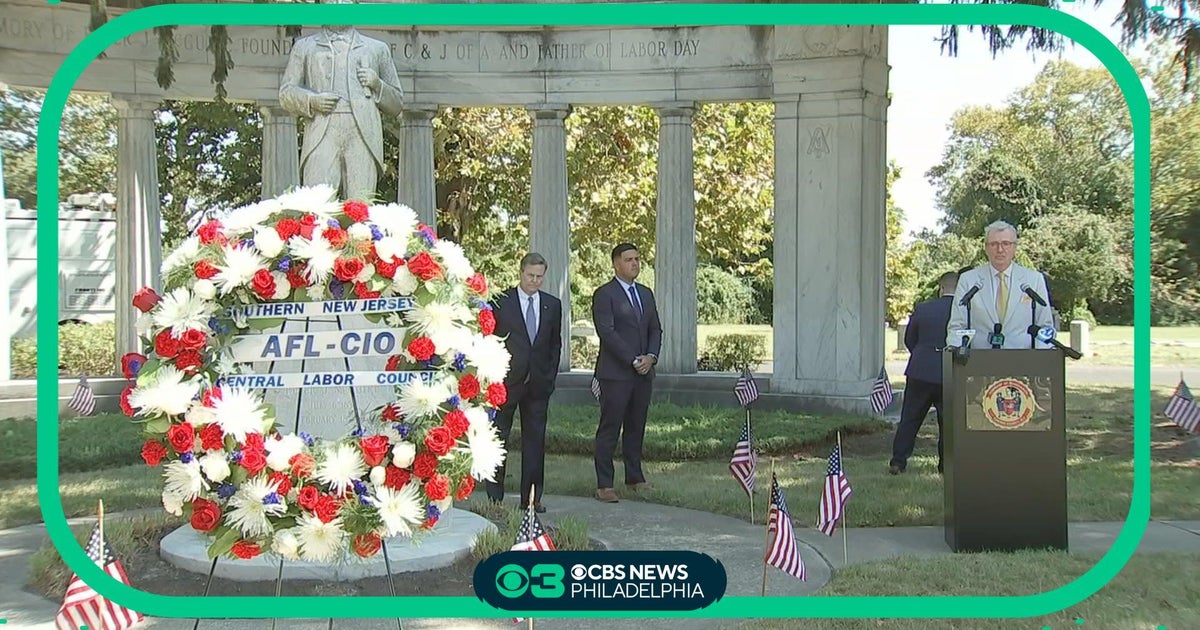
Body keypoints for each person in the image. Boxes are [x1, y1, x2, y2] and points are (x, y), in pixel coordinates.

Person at [278, 6, 405, 201]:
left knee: (360, 205)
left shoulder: (377, 48)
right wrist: (313, 100)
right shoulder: (305, 47)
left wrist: (377, 84)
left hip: (363, 134)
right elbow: (286, 93)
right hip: (321, 131)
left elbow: (397, 103)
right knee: (316, 205)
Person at [485, 253, 563, 513]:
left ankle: (531, 498)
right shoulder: (501, 302)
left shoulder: (552, 305)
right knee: (498, 438)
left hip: (538, 384)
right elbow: (488, 339)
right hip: (506, 382)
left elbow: (554, 345)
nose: (534, 281)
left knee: (535, 441)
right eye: (530, 275)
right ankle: (494, 497)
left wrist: (549, 377)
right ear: (521, 272)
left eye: (539, 276)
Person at [591, 243, 662, 503]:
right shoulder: (605, 294)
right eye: (629, 259)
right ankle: (605, 484)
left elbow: (655, 329)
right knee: (610, 428)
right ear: (616, 264)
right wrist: (632, 360)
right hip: (615, 374)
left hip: (643, 373)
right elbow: (607, 332)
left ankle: (634, 477)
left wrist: (651, 357)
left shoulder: (645, 294)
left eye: (637, 259)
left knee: (636, 426)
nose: (635, 263)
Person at [946, 220, 1056, 350]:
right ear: (986, 248)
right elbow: (957, 326)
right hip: (980, 359)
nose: (1000, 249)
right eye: (994, 244)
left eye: (1006, 243)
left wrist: (1042, 355)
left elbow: (1045, 326)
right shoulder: (968, 280)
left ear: (1015, 247)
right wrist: (958, 353)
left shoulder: (1034, 280)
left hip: (1024, 358)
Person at [889, 270, 958, 475]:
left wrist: (922, 355)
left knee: (910, 418)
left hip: (921, 370)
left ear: (941, 288)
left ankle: (898, 461)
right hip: (950, 371)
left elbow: (910, 339)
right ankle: (946, 465)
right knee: (948, 423)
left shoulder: (924, 308)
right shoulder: (965, 311)